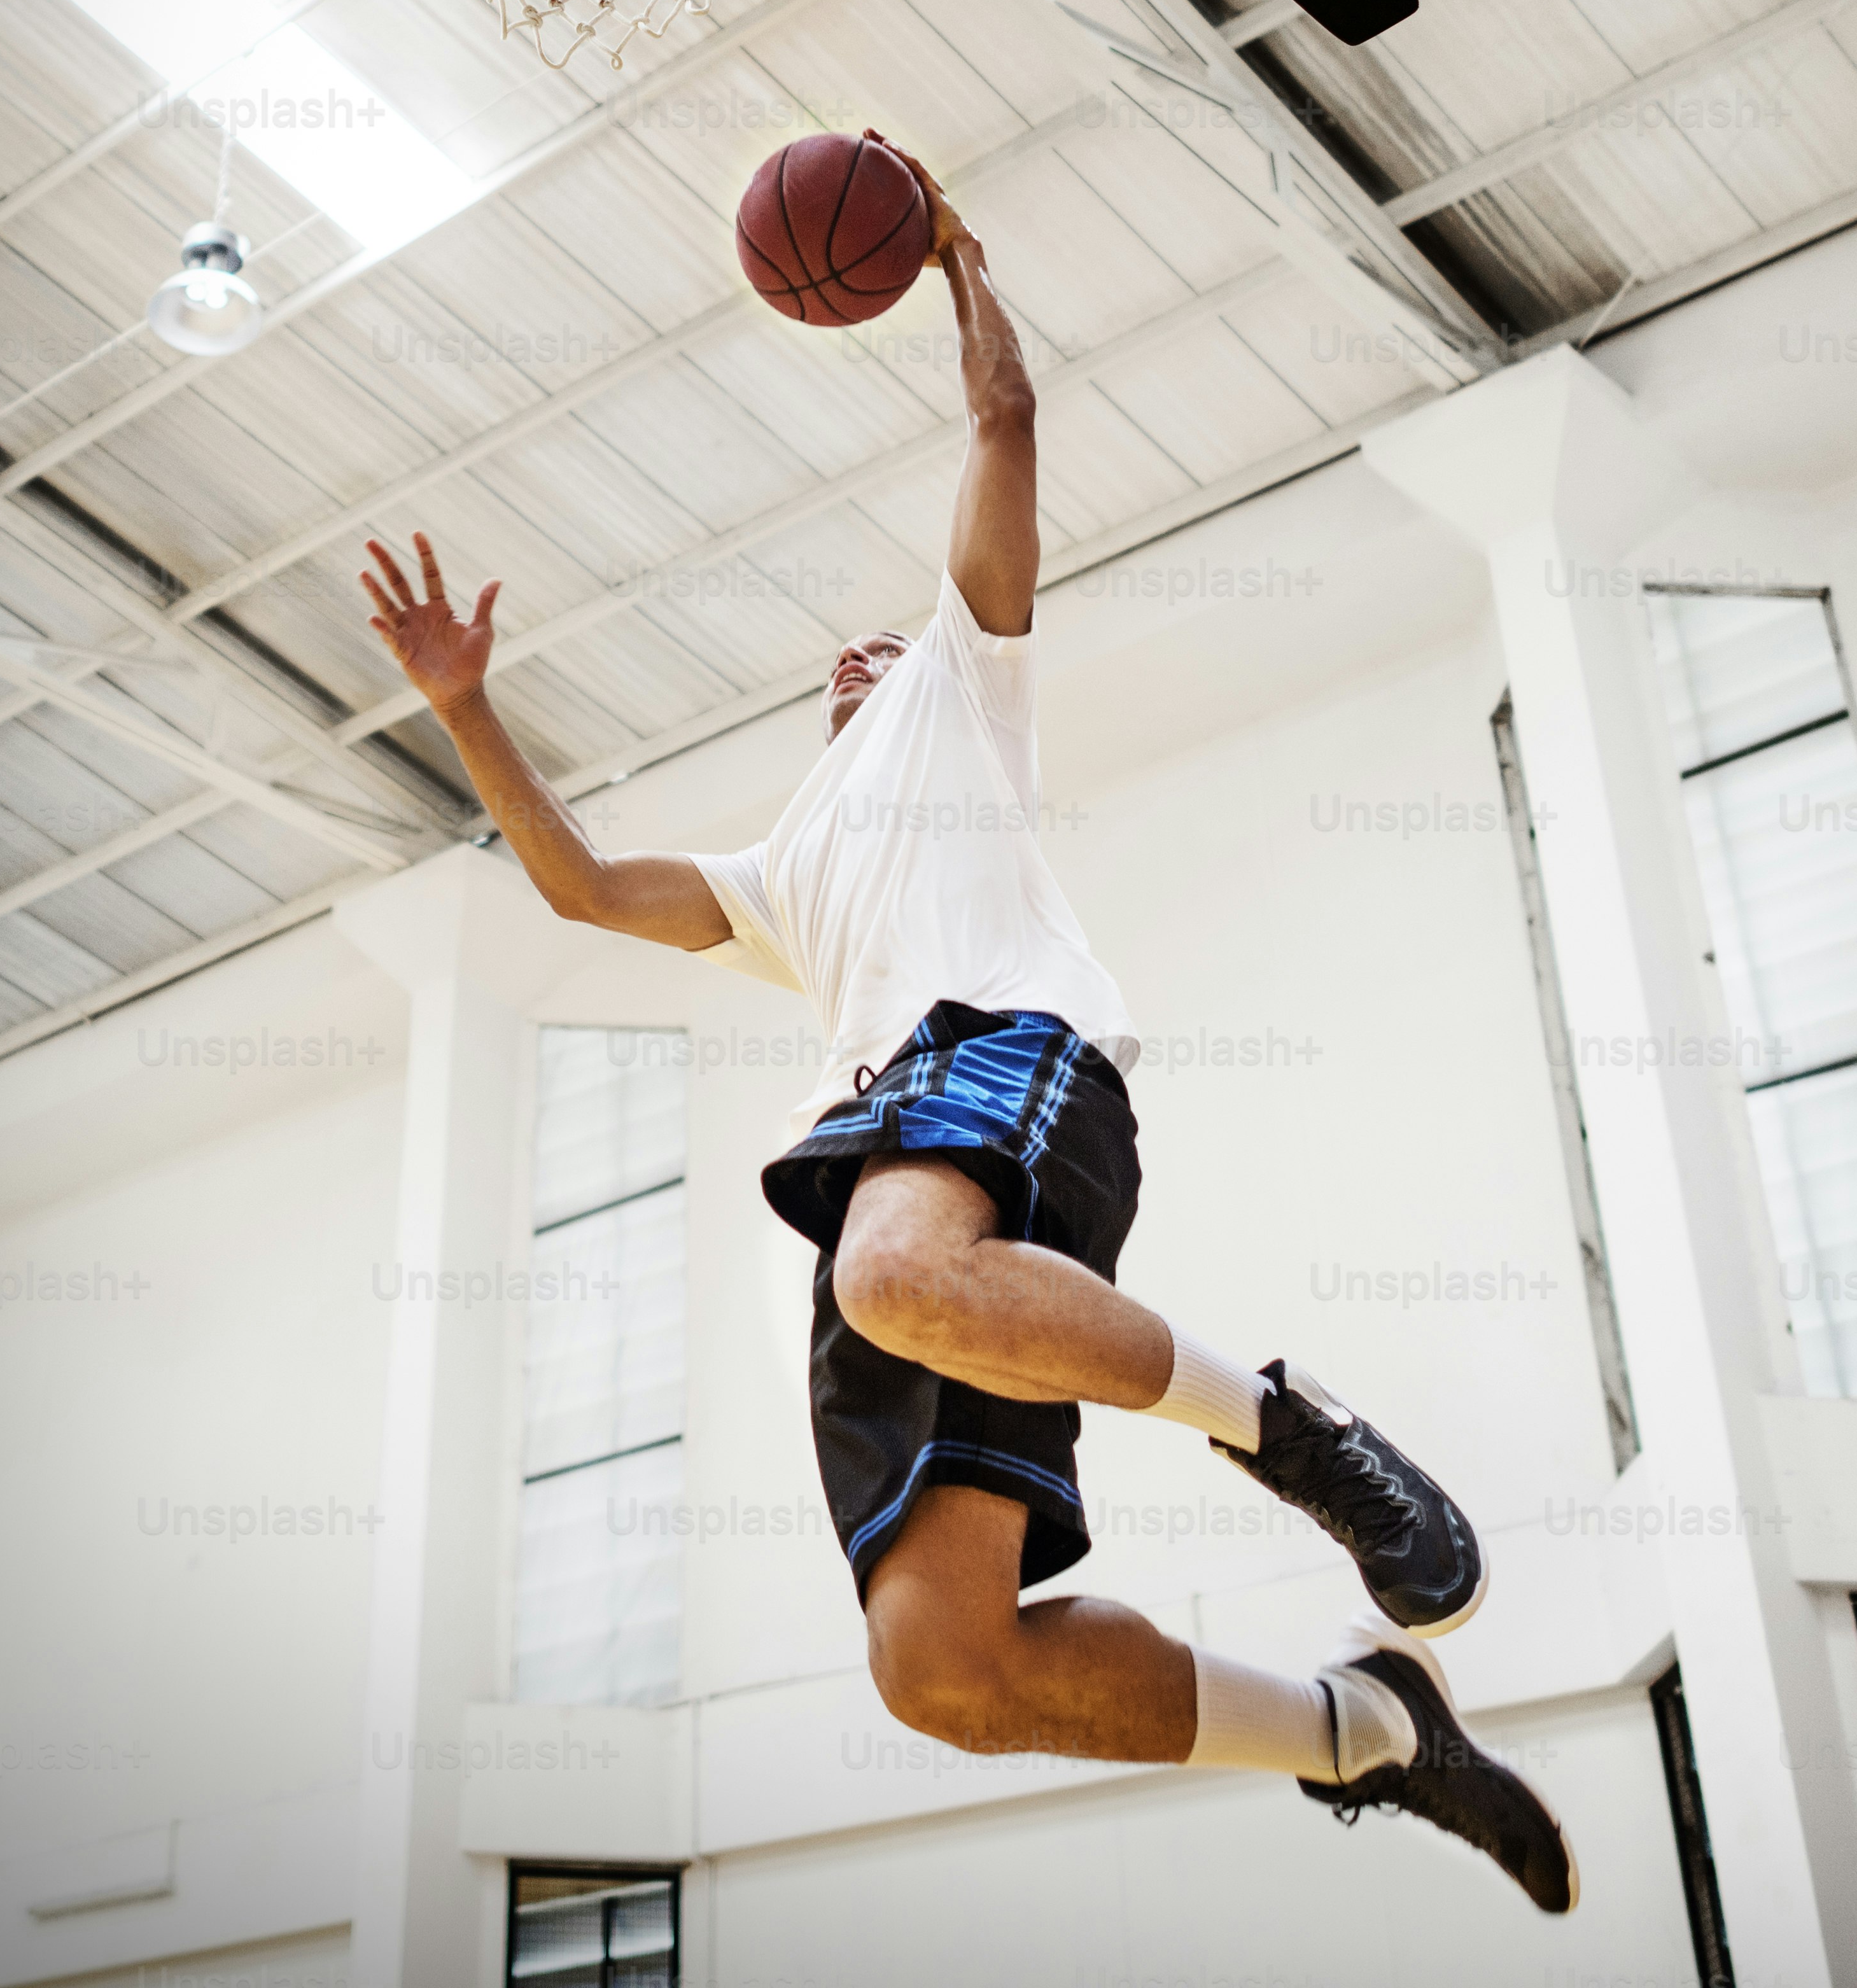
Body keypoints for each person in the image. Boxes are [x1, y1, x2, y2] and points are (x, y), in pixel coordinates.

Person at [359, 138, 1574, 1916]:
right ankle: (1368, 1736)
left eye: (887, 642)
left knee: (884, 1273)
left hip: (1003, 1059)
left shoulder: (964, 696)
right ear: (819, 707)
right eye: (841, 660)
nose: (865, 655)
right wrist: (466, 712)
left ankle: (1293, 1433)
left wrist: (951, 261)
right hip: (889, 1159)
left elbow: (1005, 429)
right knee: (942, 1676)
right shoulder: (782, 872)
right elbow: (582, 891)